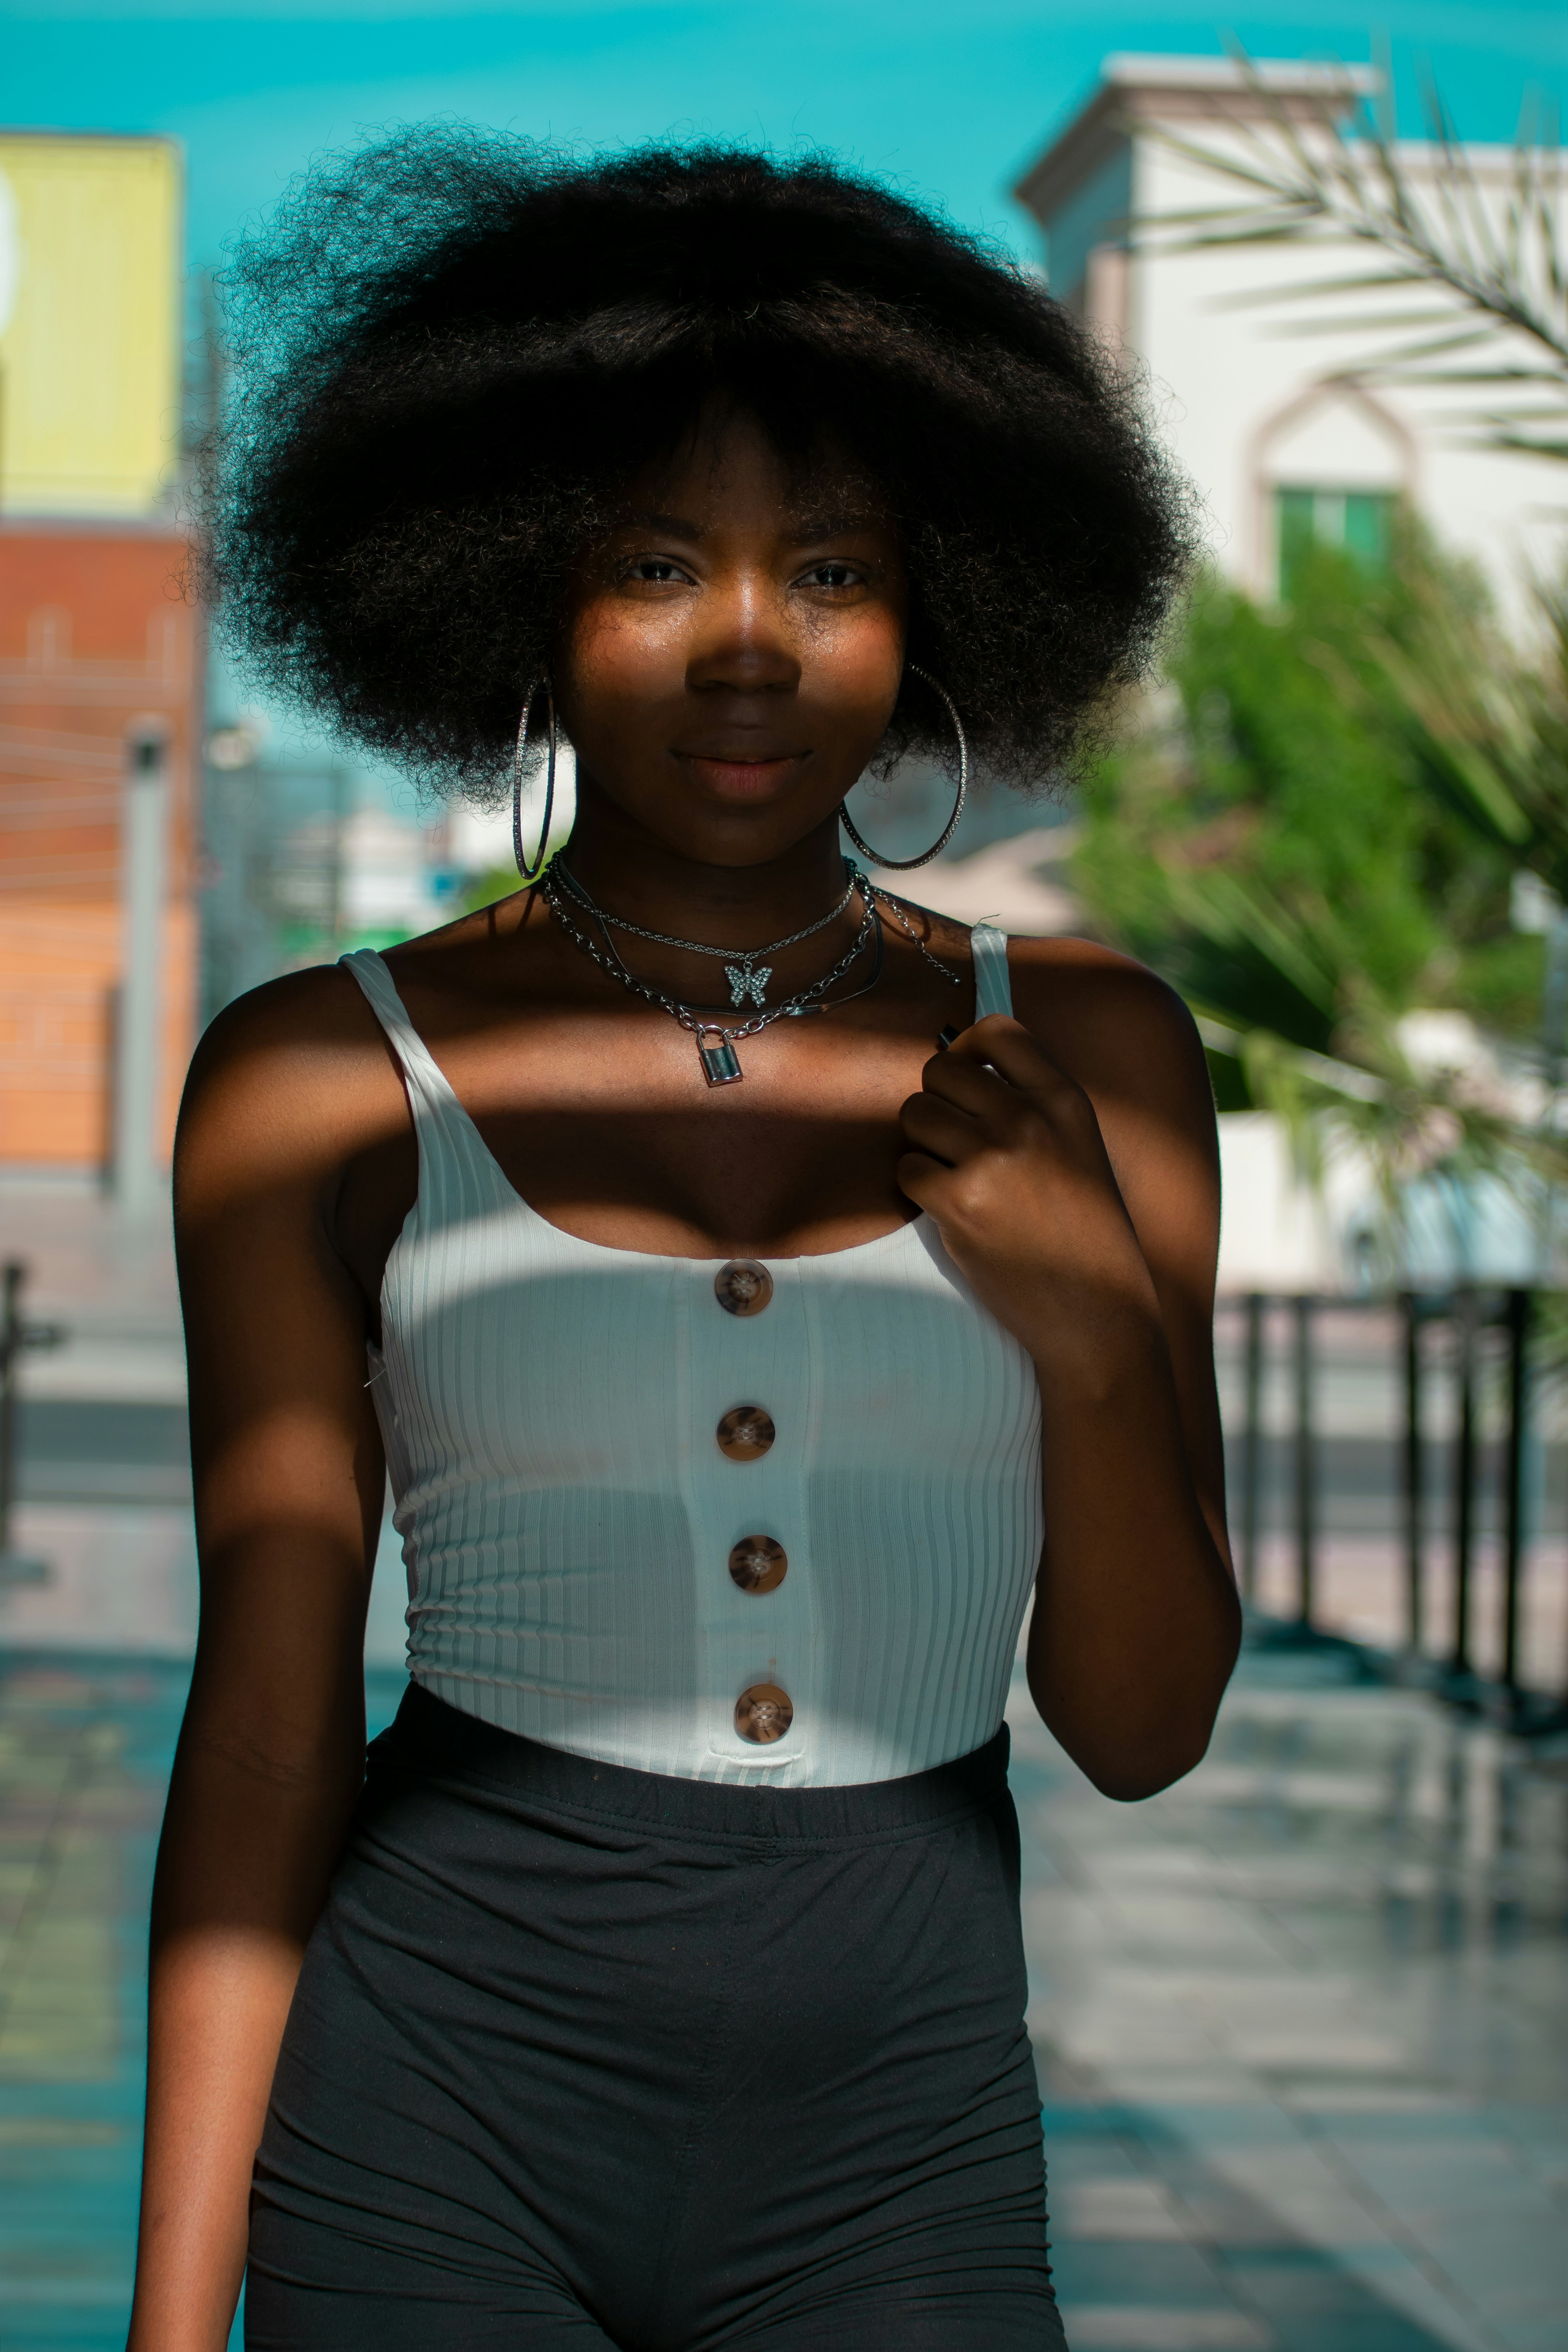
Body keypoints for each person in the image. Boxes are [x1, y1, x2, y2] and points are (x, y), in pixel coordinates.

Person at [128, 136, 1240, 2352]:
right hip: (424, 2119)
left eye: (828, 569)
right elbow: (266, 1728)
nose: (750, 645)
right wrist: (170, 2328)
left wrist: (1101, 1331)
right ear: (514, 593)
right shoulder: (317, 1074)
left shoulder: (1097, 1051)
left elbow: (1138, 1727)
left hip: (902, 2147)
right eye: (659, 564)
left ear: (937, 602)